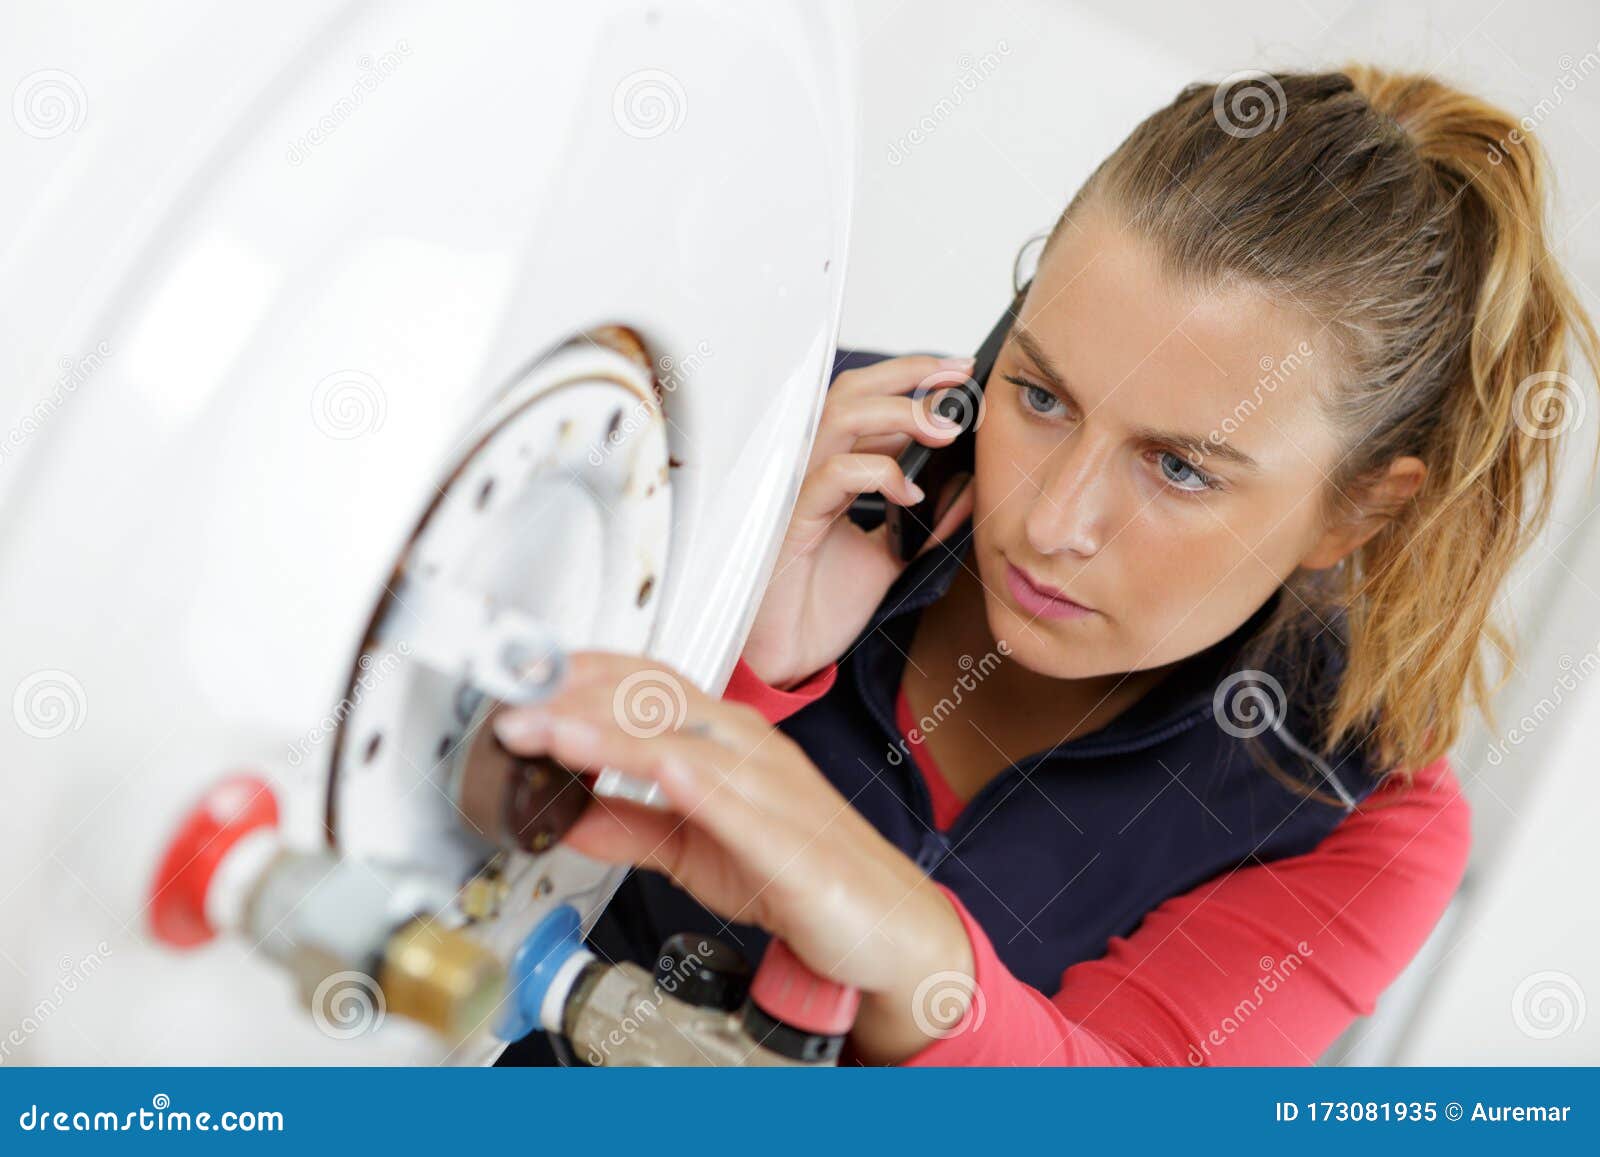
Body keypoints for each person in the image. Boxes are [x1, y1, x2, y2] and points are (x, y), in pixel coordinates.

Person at [493, 66, 1600, 1066]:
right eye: (1040, 394)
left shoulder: (1360, 819)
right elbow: (412, 785)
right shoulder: (757, 424)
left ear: (1354, 512)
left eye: (1178, 467)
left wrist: (915, 953)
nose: (1052, 519)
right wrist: (733, 640)